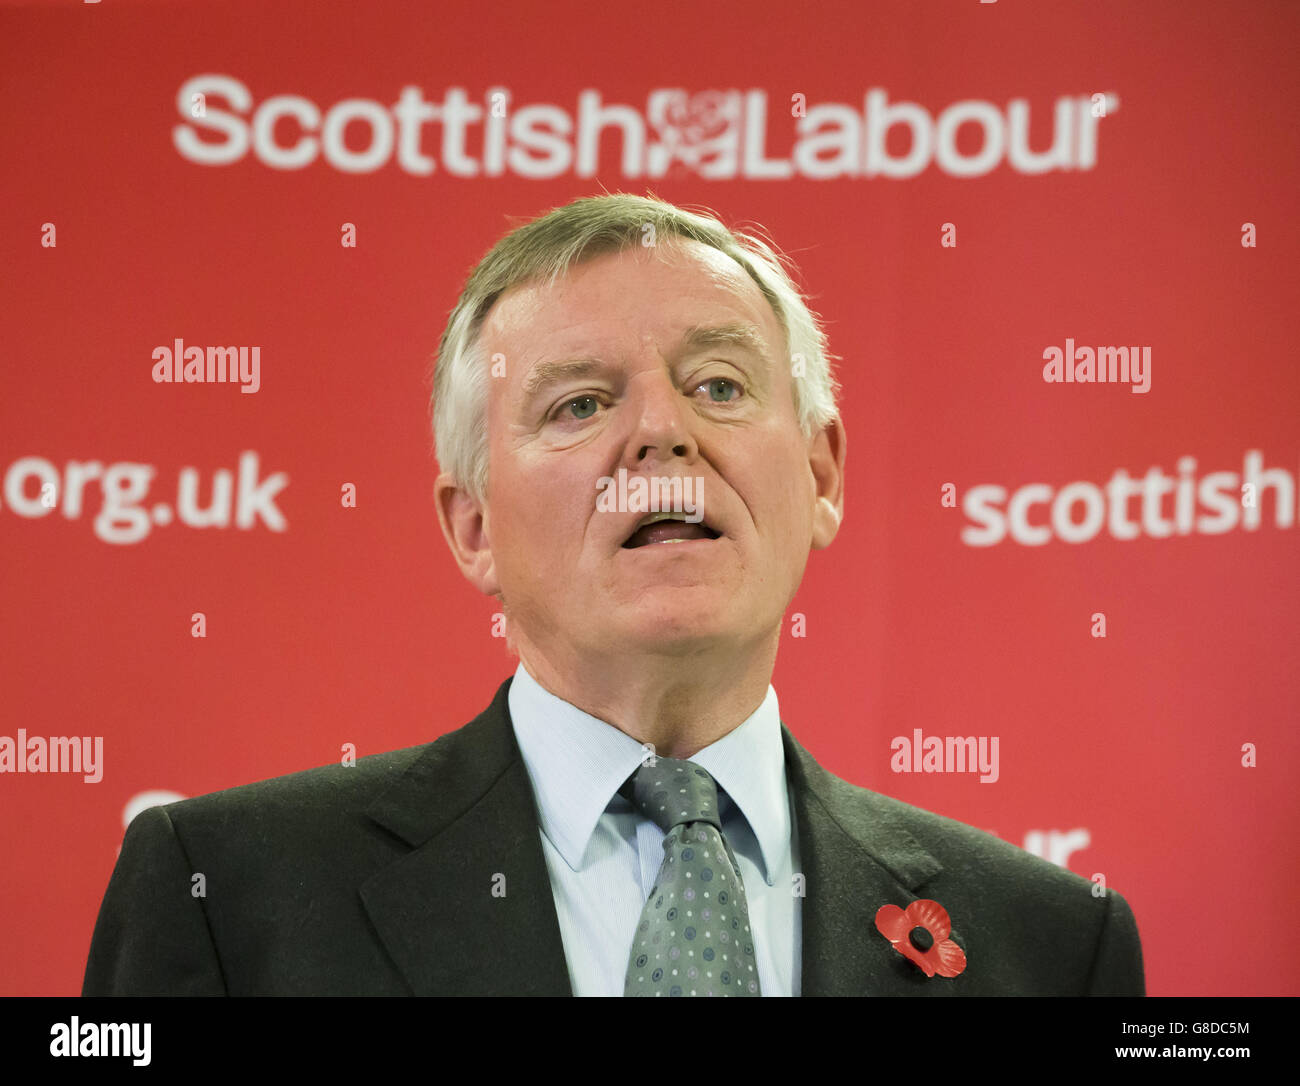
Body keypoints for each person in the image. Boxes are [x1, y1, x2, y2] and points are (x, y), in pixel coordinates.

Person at [83, 193, 1144, 996]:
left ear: (820, 477)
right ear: (475, 527)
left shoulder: (1049, 943)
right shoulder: (223, 896)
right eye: (580, 403)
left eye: (719, 385)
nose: (661, 432)